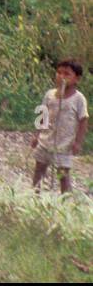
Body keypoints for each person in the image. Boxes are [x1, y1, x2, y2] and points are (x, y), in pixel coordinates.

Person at [32, 60, 89, 194]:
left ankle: (66, 201)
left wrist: (78, 142)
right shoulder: (49, 95)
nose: (61, 76)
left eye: (67, 74)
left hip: (64, 144)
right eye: (59, 73)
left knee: (63, 174)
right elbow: (42, 114)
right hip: (45, 141)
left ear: (77, 79)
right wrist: (36, 135)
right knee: (39, 169)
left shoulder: (78, 99)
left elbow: (83, 120)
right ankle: (35, 196)